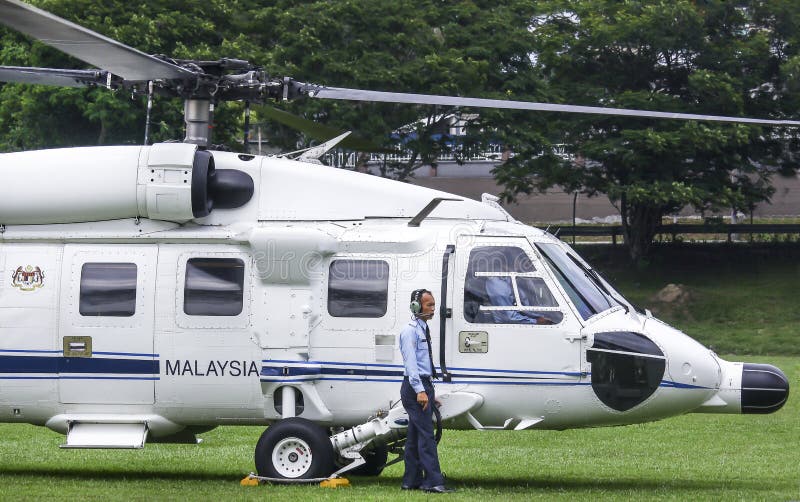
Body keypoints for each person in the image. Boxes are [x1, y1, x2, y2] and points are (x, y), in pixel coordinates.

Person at [398, 289, 454, 493]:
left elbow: (424, 366)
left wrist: (430, 393)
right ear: (416, 307)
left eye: (433, 304)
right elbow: (412, 365)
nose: (433, 309)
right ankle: (433, 482)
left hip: (423, 387)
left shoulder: (422, 329)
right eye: (429, 305)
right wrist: (421, 392)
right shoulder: (410, 331)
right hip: (415, 389)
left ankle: (410, 480)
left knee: (414, 437)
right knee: (426, 437)